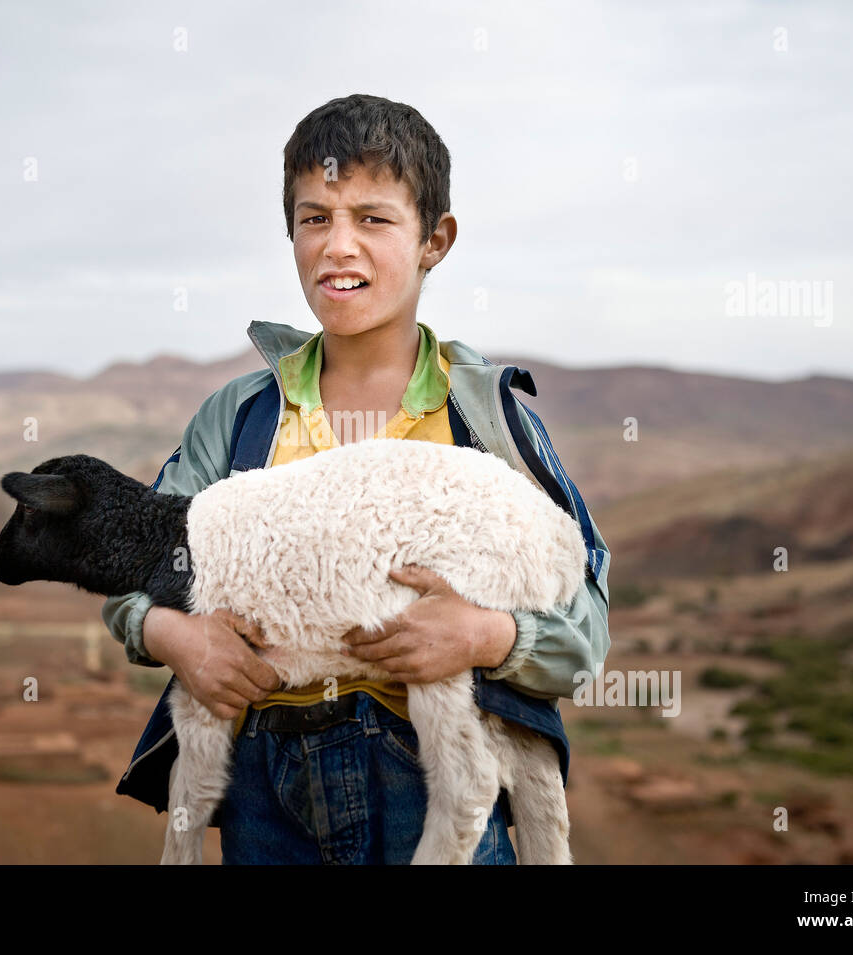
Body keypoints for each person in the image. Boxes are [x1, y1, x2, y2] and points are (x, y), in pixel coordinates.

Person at [102, 93, 611, 864]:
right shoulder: (239, 421)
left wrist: (486, 633)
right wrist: (175, 633)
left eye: (372, 219)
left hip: (435, 783)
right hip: (263, 794)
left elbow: (586, 631)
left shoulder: (487, 422)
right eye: (315, 219)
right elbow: (128, 566)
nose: (339, 247)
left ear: (435, 239)